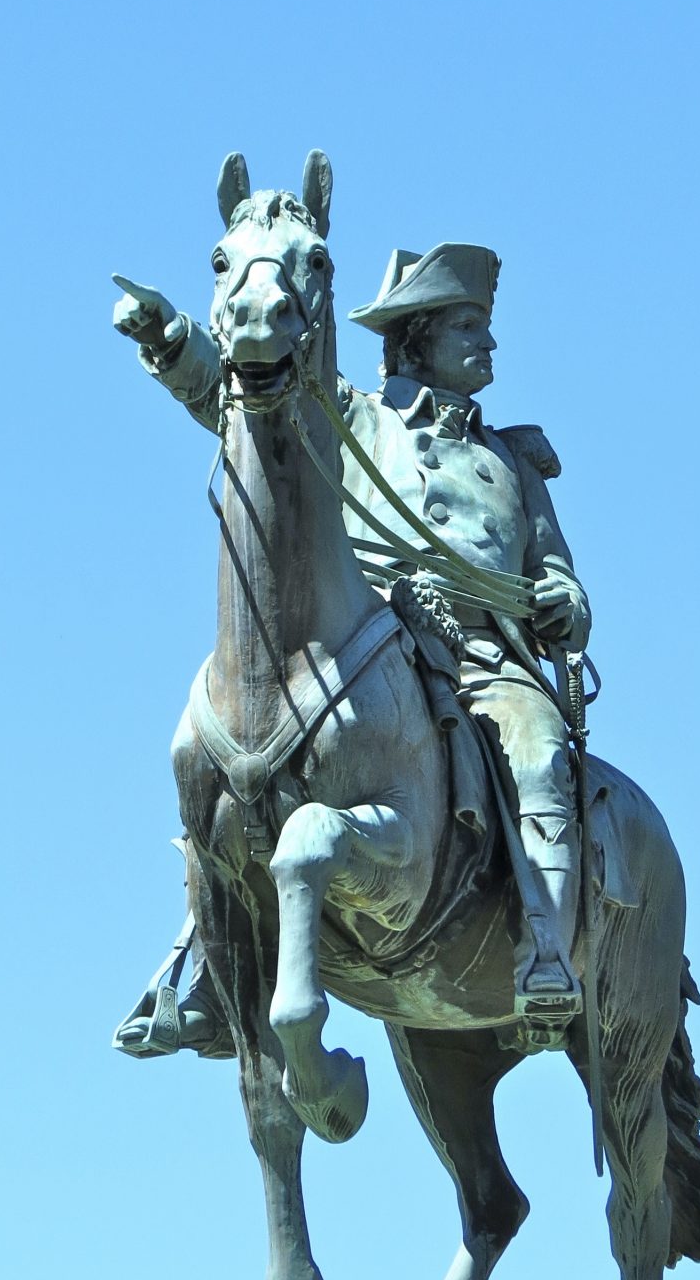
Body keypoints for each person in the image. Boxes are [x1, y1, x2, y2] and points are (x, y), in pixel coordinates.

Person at [112, 239, 591, 1041]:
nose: (490, 343)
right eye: (470, 324)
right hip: (376, 636)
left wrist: (562, 601)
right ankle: (204, 962)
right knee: (232, 748)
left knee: (540, 752)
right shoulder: (350, 413)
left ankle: (546, 950)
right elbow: (241, 389)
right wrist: (171, 341)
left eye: (486, 325)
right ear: (419, 337)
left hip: (486, 657)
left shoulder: (515, 461)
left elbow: (560, 573)